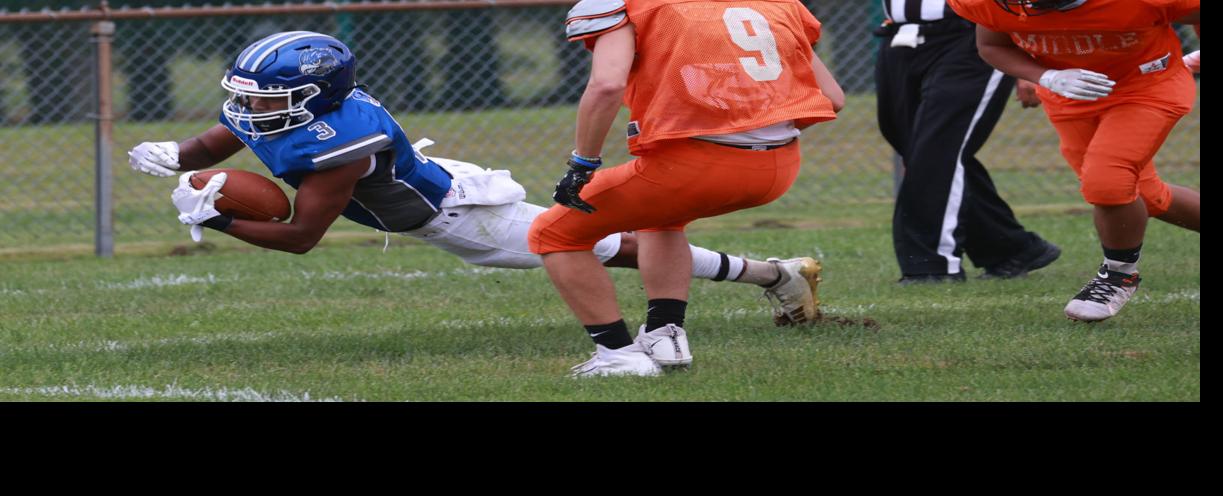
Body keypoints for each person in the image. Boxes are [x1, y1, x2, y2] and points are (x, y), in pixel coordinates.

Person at [125, 31, 822, 320]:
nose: (248, 107)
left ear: (315, 97)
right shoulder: (281, 113)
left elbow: (305, 233)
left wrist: (216, 217)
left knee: (604, 246)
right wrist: (176, 157)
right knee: (607, 242)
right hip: (437, 184)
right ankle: (773, 274)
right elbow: (220, 135)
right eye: (247, 94)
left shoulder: (342, 143)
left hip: (459, 216)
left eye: (263, 97)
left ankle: (774, 274)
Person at [528, 0, 846, 377]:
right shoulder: (777, 3)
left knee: (553, 233)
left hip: (692, 168)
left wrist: (584, 162)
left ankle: (617, 354)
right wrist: (756, 138)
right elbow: (833, 98)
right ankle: (666, 333)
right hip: (778, 167)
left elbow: (606, 85)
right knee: (660, 216)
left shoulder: (632, 5)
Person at [948, 0, 1200, 322]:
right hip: (1072, 97)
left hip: (1146, 88)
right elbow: (991, 45)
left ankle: (1118, 275)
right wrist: (1046, 76)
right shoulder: (991, 3)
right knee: (1143, 196)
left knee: (1107, 182)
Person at [875, 0, 1060, 284]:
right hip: (898, 37)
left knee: (938, 149)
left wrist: (1031, 59)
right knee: (917, 146)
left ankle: (932, 266)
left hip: (971, 37)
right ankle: (1011, 248)